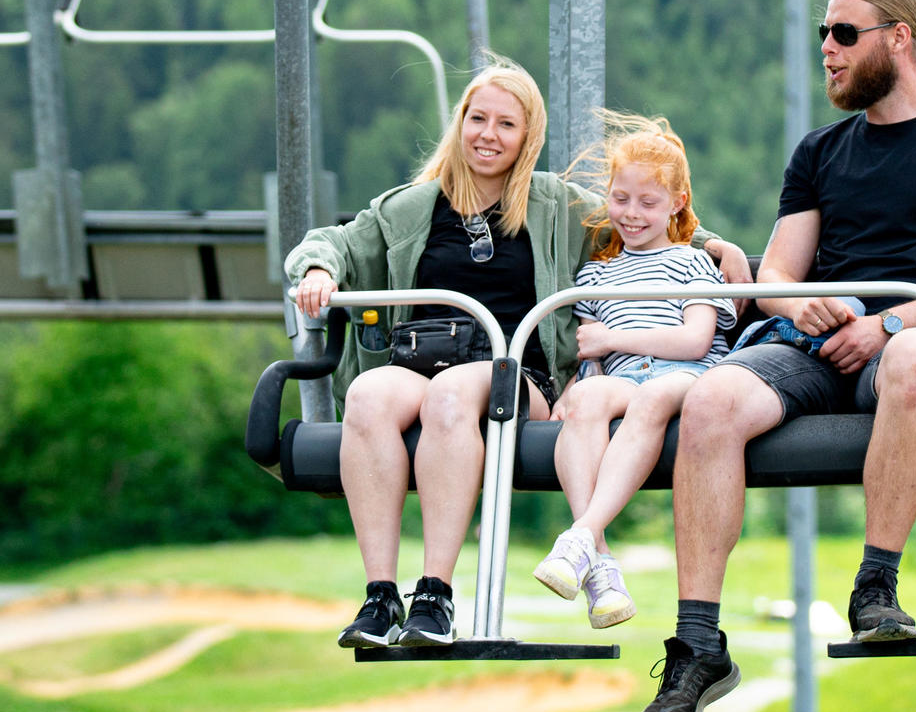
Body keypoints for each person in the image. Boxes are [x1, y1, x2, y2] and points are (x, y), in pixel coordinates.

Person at [638, 0, 916, 712]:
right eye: (823, 35)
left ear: (900, 39)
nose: (828, 49)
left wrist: (889, 326)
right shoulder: (819, 153)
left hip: (906, 342)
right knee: (712, 398)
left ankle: (875, 587)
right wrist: (797, 304)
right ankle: (699, 642)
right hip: (814, 346)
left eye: (844, 34)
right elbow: (780, 273)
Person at [289, 61, 748, 650]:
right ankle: (380, 596)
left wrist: (717, 245)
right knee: (367, 394)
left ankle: (434, 594)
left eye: (506, 124)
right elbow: (334, 241)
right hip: (421, 361)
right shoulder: (410, 208)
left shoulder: (554, 205)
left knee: (452, 395)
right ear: (459, 123)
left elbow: (640, 219)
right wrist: (319, 269)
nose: (488, 134)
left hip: (515, 374)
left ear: (528, 135)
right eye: (477, 119)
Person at [532, 114, 735, 631]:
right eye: (620, 199)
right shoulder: (596, 274)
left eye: (648, 203)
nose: (631, 214)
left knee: (652, 397)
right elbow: (591, 355)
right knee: (586, 401)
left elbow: (696, 340)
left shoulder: (692, 263)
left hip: (687, 375)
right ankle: (599, 563)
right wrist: (574, 388)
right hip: (622, 377)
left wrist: (613, 340)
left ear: (677, 203)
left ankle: (582, 533)